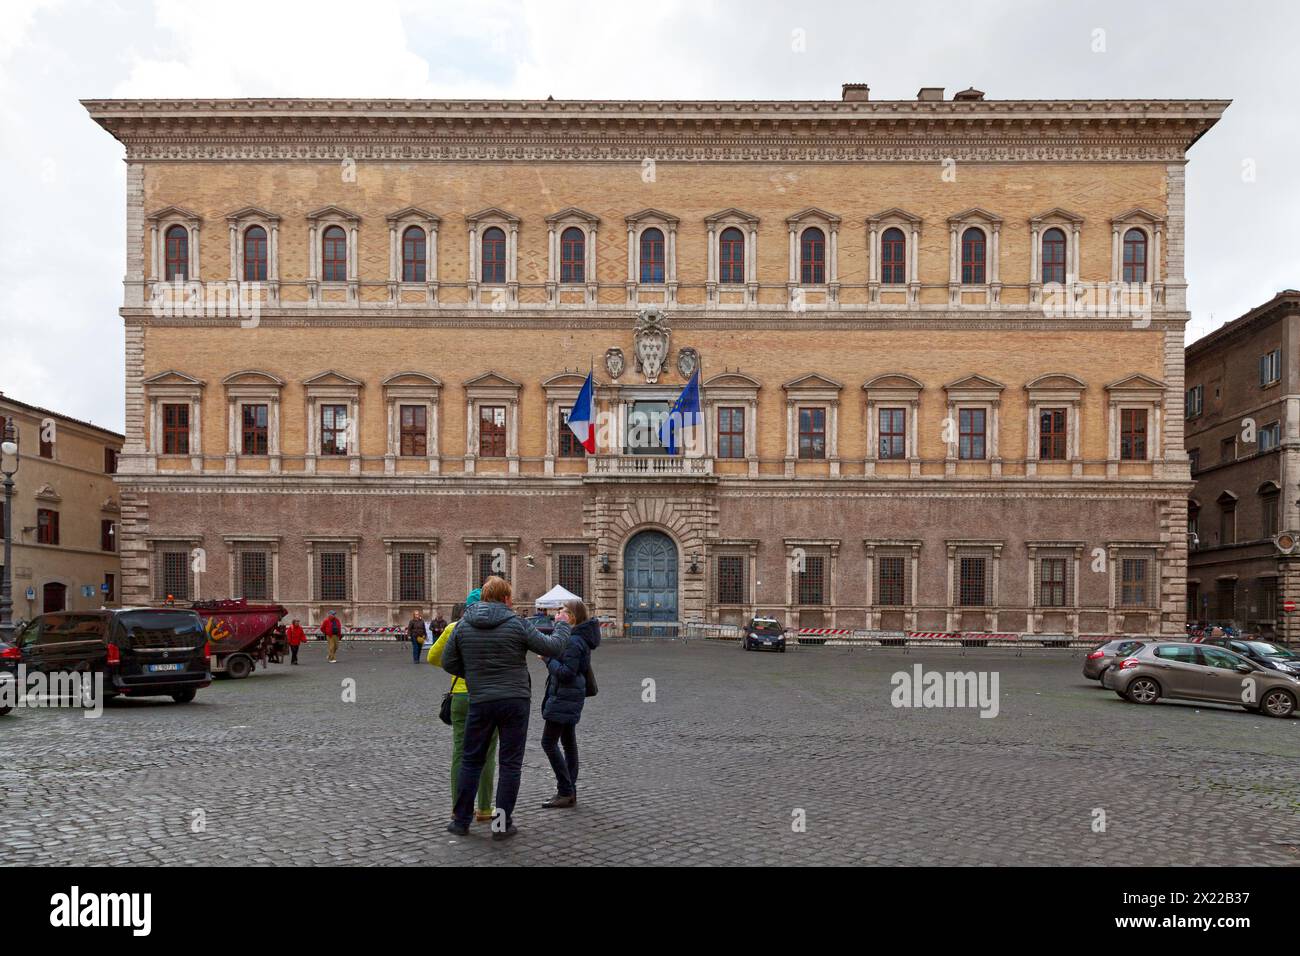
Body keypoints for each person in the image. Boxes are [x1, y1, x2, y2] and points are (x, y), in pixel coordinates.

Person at [441, 576, 567, 840]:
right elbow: (552, 647)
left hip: (481, 700)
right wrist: (564, 627)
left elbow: (448, 662)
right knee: (510, 764)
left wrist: (475, 674)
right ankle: (501, 825)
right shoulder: (517, 624)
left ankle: (461, 821)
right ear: (505, 598)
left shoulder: (463, 625)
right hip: (514, 700)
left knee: (471, 759)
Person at [427, 591, 498, 824]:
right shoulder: (499, 626)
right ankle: (485, 809)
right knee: (487, 754)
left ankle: (458, 809)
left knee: (461, 751)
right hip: (489, 695)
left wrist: (460, 668)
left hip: (460, 696)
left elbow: (433, 658)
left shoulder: (454, 628)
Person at [539, 599, 600, 809]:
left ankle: (565, 790)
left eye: (561, 611)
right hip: (569, 696)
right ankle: (569, 790)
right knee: (568, 743)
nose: (556, 614)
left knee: (548, 743)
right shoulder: (576, 638)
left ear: (572, 617)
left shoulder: (574, 641)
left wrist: (547, 659)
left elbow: (566, 673)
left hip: (564, 697)